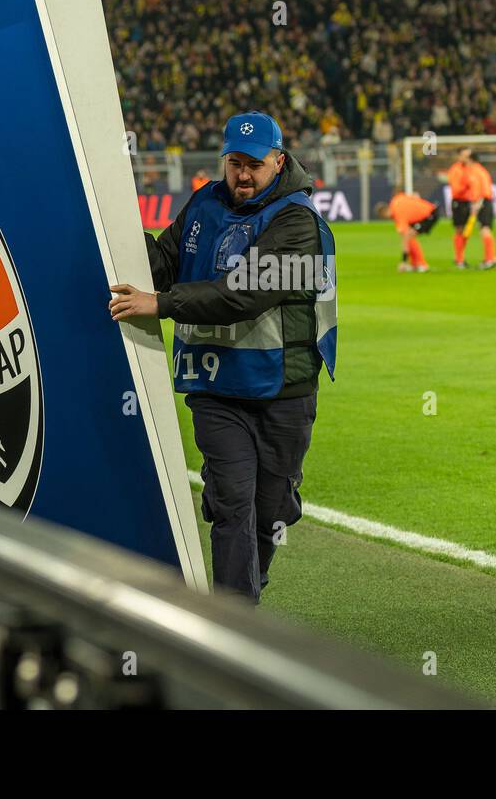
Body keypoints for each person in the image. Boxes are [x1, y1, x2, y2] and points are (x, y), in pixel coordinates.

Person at [108, 110, 336, 605]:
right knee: (232, 502)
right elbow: (164, 262)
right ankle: (235, 620)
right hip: (216, 388)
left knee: (272, 510)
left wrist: (162, 304)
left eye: (254, 164)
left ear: (279, 161)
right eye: (234, 163)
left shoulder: (299, 224)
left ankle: (245, 591)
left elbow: (246, 293)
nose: (243, 175)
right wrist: (110, 223)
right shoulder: (204, 203)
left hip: (283, 390)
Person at [445, 148, 496, 269]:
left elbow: (478, 188)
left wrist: (476, 201)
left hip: (477, 201)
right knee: (462, 229)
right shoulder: (456, 169)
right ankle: (460, 259)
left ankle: (489, 258)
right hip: (461, 202)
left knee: (482, 228)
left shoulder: (475, 171)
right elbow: (456, 188)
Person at [380, 190, 437, 272]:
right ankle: (415, 264)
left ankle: (422, 264)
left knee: (409, 237)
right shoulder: (395, 200)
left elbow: (405, 238)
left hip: (429, 214)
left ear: (384, 212)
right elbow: (413, 195)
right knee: (410, 237)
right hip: (428, 210)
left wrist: (403, 260)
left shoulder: (398, 215)